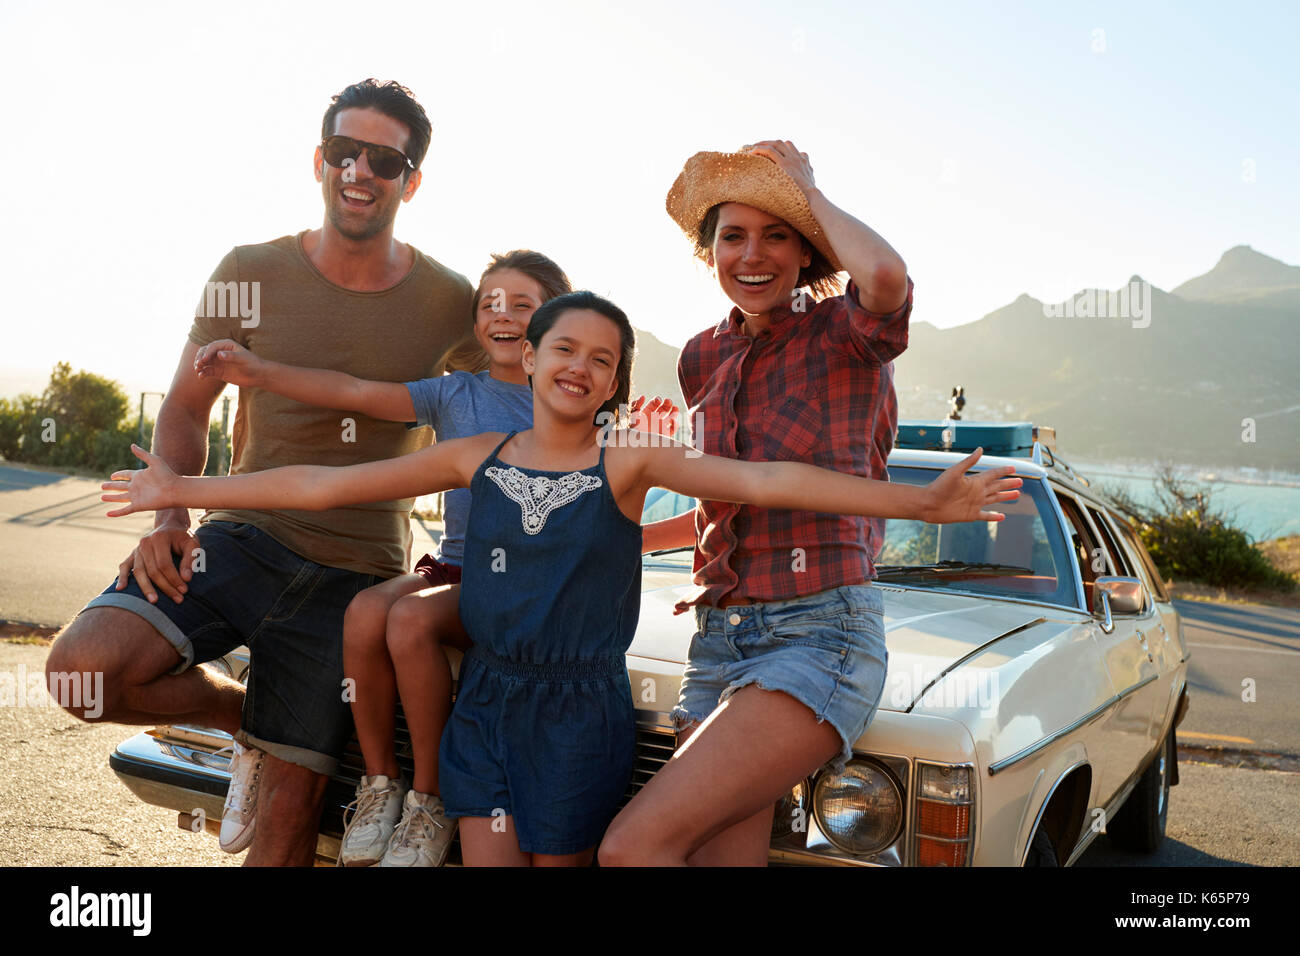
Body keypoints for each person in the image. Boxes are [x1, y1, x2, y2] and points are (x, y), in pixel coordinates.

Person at [102, 290, 1021, 866]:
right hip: (488, 710)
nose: (580, 367)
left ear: (616, 383)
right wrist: (179, 487)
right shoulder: (474, 455)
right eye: (565, 349)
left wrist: (918, 506)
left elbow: (763, 479)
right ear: (529, 357)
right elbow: (323, 481)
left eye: (603, 359)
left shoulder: (628, 463)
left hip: (579, 716)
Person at [45, 78, 477, 866]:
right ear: (320, 159)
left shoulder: (452, 302)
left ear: (411, 181)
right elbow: (183, 409)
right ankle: (242, 715)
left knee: (279, 843)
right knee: (82, 673)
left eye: (384, 160)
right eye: (345, 151)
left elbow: (520, 392)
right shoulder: (248, 269)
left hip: (358, 577)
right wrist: (170, 521)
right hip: (243, 536)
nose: (359, 172)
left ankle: (279, 738)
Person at [193, 252, 677, 867]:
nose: (502, 317)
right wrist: (259, 372)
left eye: (521, 306)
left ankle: (432, 794)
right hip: (452, 570)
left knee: (409, 621)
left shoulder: (581, 412)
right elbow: (356, 393)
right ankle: (382, 782)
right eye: (488, 305)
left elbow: (607, 527)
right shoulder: (456, 395)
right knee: (367, 611)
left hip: (523, 594)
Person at [600, 141, 916, 866]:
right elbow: (726, 505)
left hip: (819, 633)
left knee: (632, 847)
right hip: (717, 639)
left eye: (778, 234)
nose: (753, 254)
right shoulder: (699, 356)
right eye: (732, 236)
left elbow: (886, 277)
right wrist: (624, 538)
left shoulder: (843, 333)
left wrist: (806, 188)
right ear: (708, 251)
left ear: (807, 251)